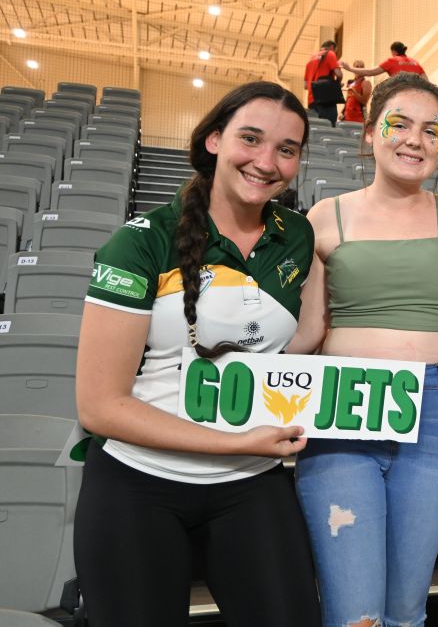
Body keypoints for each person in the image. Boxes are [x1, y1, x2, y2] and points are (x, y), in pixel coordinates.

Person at [73, 82, 322, 627]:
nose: (266, 162)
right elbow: (99, 407)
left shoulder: (298, 237)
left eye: (286, 149)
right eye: (250, 139)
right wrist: (235, 441)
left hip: (251, 480)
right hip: (138, 483)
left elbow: (295, 344)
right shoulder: (140, 242)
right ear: (213, 139)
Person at [288, 72, 438, 627]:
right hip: (343, 411)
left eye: (431, 130)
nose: (415, 139)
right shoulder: (326, 216)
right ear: (369, 132)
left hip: (430, 413)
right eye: (399, 124)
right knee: (356, 615)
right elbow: (309, 332)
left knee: (406, 611)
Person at [341, 41, 428, 81]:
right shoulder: (415, 62)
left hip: (400, 94)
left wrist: (350, 68)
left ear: (393, 51)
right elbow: (426, 81)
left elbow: (370, 72)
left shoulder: (392, 60)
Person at [305, 39, 343, 125]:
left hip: (311, 100)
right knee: (328, 126)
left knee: (315, 127)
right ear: (332, 47)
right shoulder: (330, 54)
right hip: (325, 98)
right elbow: (339, 74)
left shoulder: (310, 60)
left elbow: (306, 85)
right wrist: (337, 83)